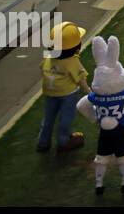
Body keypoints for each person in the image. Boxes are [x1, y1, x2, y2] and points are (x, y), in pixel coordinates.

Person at [37, 22, 88, 154]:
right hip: (68, 94)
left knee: (48, 118)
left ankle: (43, 142)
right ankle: (63, 141)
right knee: (66, 118)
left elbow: (41, 69)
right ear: (76, 47)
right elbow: (81, 78)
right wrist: (89, 92)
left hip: (49, 93)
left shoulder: (48, 58)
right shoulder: (72, 61)